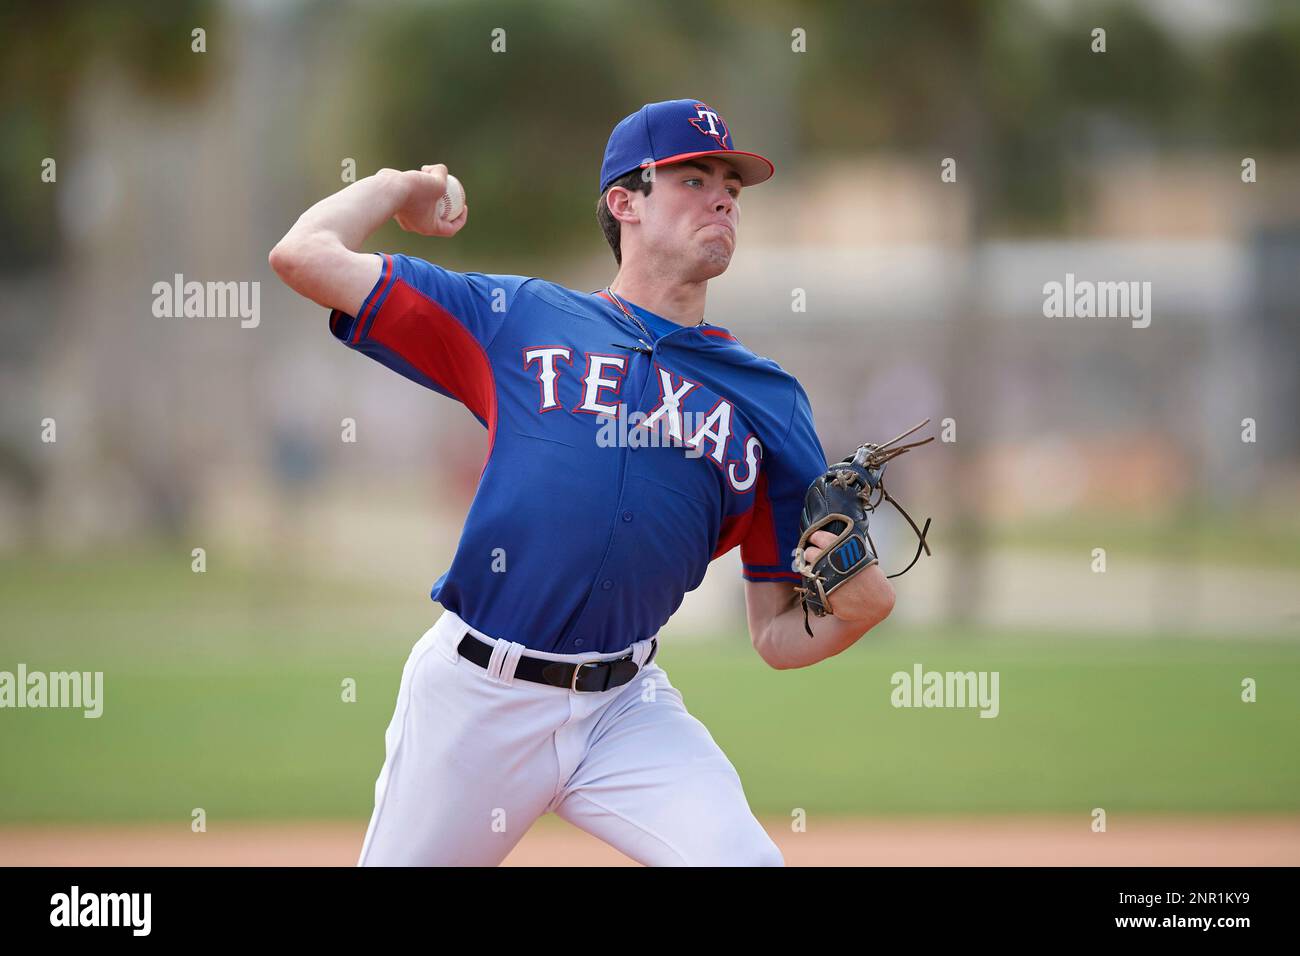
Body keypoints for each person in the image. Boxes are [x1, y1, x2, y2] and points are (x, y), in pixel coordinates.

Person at [268, 98, 896, 866]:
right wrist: (400, 187)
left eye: (730, 182)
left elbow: (773, 634)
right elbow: (303, 255)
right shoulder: (520, 318)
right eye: (693, 178)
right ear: (624, 202)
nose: (724, 195)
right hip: (476, 702)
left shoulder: (769, 399)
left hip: (623, 710)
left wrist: (856, 615)